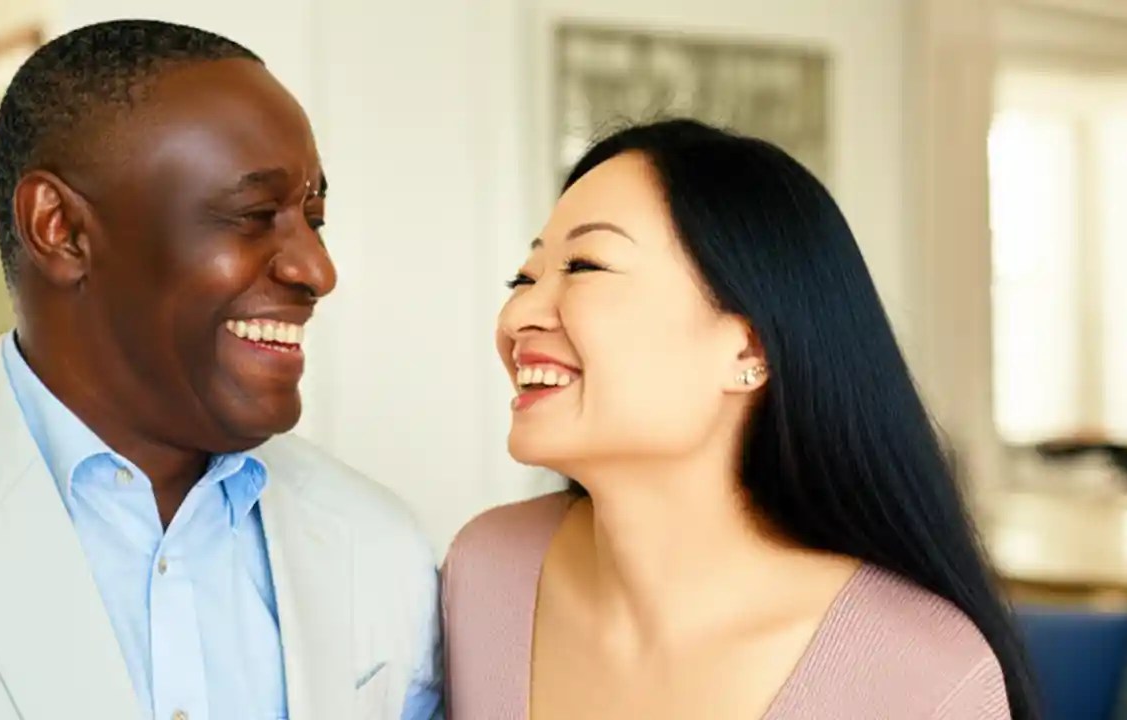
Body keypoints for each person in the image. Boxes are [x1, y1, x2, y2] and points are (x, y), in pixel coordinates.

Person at [0, 19, 441, 720]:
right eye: (255, 213)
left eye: (314, 216)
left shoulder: (380, 547)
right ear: (60, 229)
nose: (317, 269)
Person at [442, 119, 1039, 719]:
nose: (518, 313)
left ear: (749, 351)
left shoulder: (922, 676)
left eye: (586, 266)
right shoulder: (485, 572)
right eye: (524, 277)